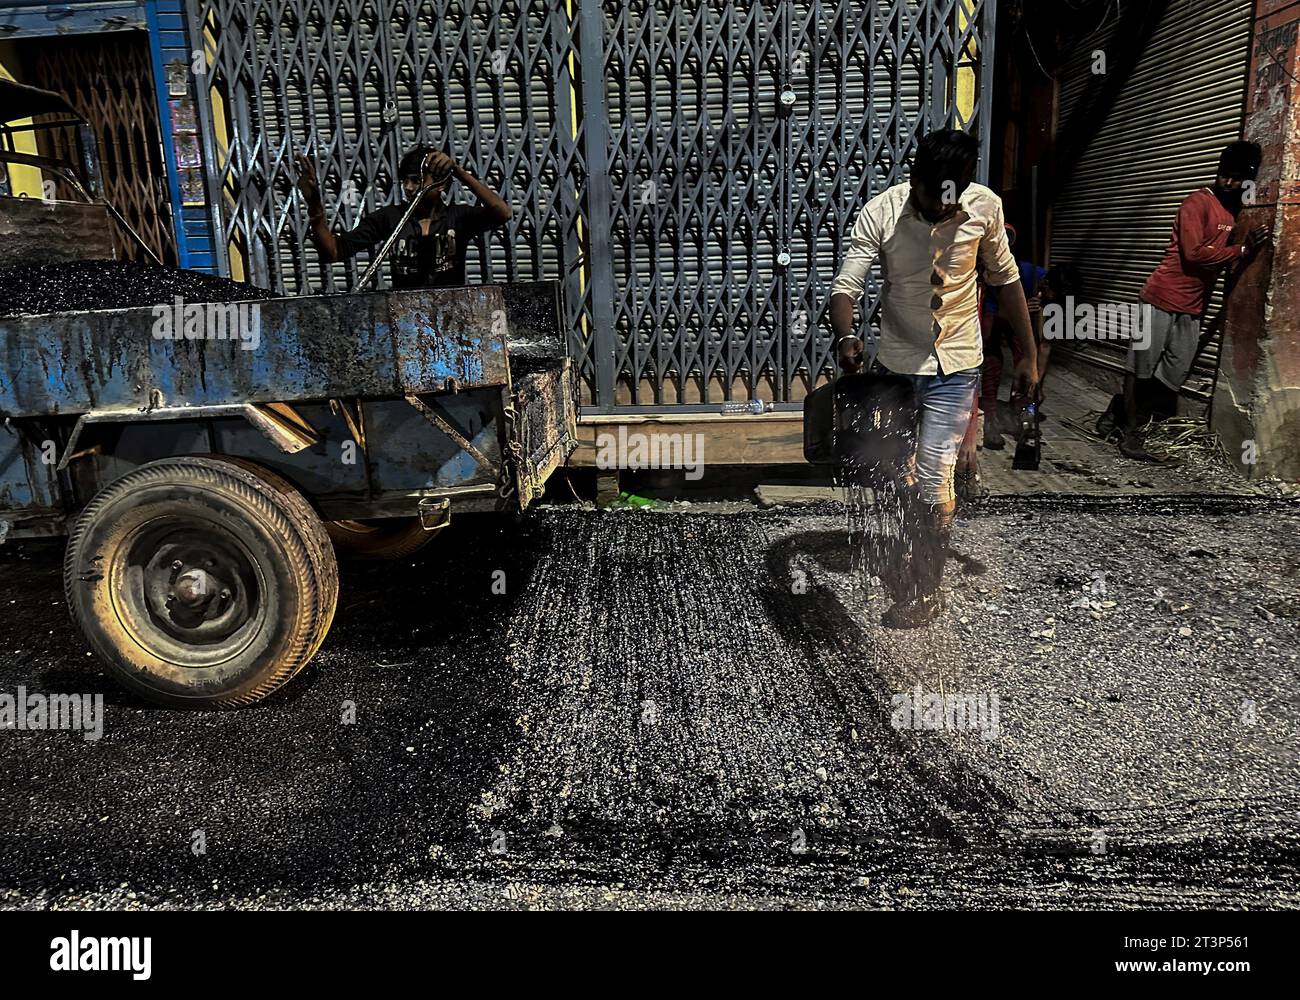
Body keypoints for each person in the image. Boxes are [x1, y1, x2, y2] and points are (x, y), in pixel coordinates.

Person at [830, 129, 1038, 628]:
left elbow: (1006, 281)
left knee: (934, 478)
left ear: (964, 184)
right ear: (914, 177)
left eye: (948, 200)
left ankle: (925, 588)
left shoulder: (985, 209)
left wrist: (1028, 356)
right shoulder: (882, 212)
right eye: (928, 197)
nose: (938, 210)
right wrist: (844, 337)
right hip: (897, 367)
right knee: (895, 472)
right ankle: (911, 542)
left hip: (958, 364)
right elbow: (846, 285)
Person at [1120, 140, 1269, 461]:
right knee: (1140, 366)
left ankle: (1117, 416)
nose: (1227, 181)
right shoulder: (1197, 203)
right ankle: (1130, 435)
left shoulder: (1233, 211)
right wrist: (1241, 251)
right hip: (1161, 297)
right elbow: (1194, 253)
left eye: (1235, 177)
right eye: (1224, 174)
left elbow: (1221, 258)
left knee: (1174, 372)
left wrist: (1239, 253)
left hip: (1192, 304)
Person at [294, 145, 512, 288]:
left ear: (440, 185)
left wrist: (459, 172)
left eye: (416, 180)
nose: (408, 188)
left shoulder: (459, 216)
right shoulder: (391, 218)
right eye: (405, 181)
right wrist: (315, 206)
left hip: (451, 315)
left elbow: (502, 212)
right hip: (405, 318)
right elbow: (333, 251)